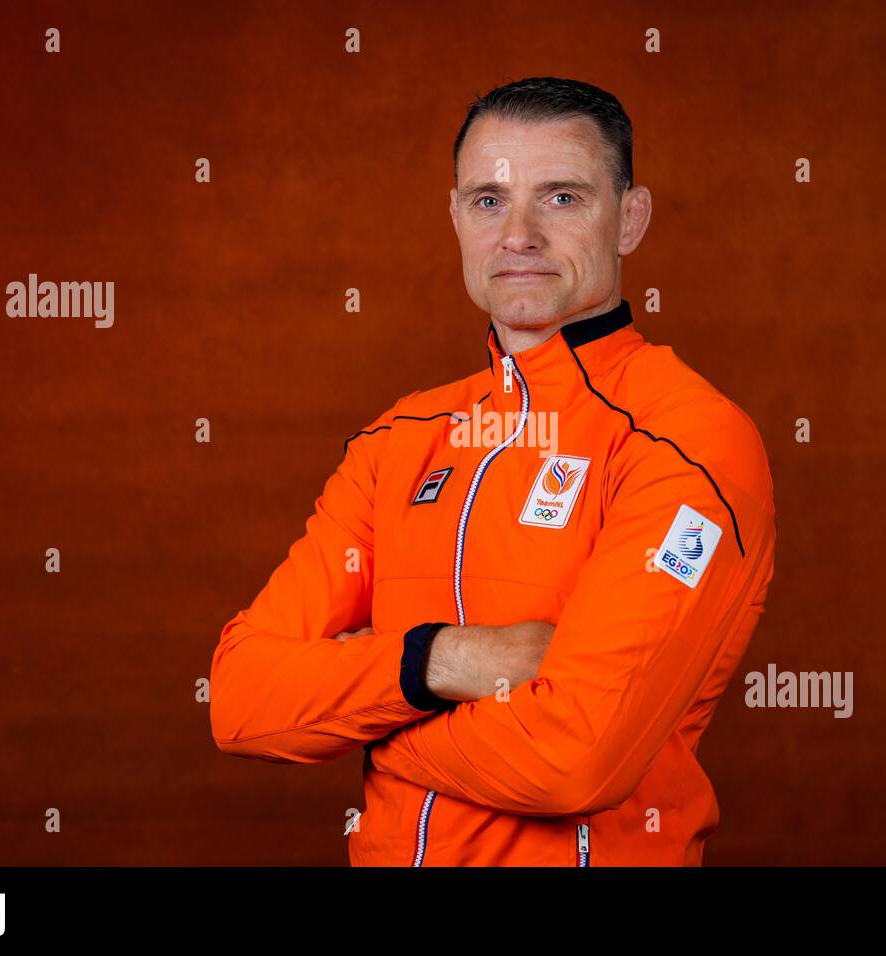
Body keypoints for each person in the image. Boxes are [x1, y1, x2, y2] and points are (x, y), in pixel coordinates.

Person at [209, 76, 776, 866]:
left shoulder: (688, 438)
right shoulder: (398, 439)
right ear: (455, 218)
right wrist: (436, 661)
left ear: (631, 218)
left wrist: (375, 735)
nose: (519, 235)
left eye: (562, 198)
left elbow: (575, 757)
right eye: (488, 201)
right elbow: (240, 699)